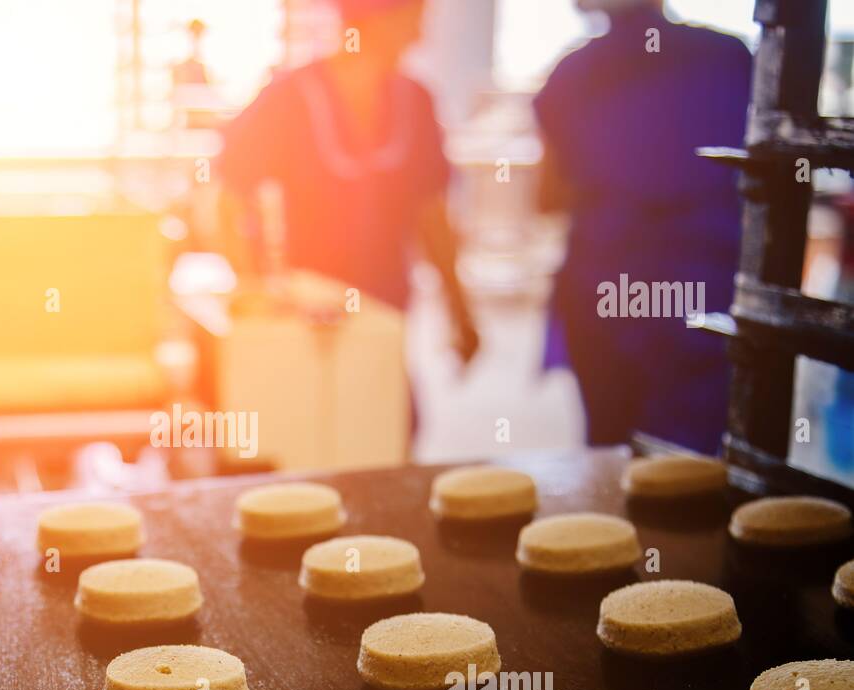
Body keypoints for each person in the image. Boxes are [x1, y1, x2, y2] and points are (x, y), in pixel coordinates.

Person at [534, 0, 753, 454]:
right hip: (702, 295)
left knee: (614, 456)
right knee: (692, 464)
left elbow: (547, 197)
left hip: (606, 295)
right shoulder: (729, 59)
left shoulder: (572, 76)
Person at [214, 0, 478, 367]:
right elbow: (229, 194)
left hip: (389, 313)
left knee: (385, 396)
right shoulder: (291, 97)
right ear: (377, 19)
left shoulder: (415, 101)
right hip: (309, 318)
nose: (421, 36)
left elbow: (432, 215)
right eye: (414, 19)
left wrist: (460, 309)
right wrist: (256, 289)